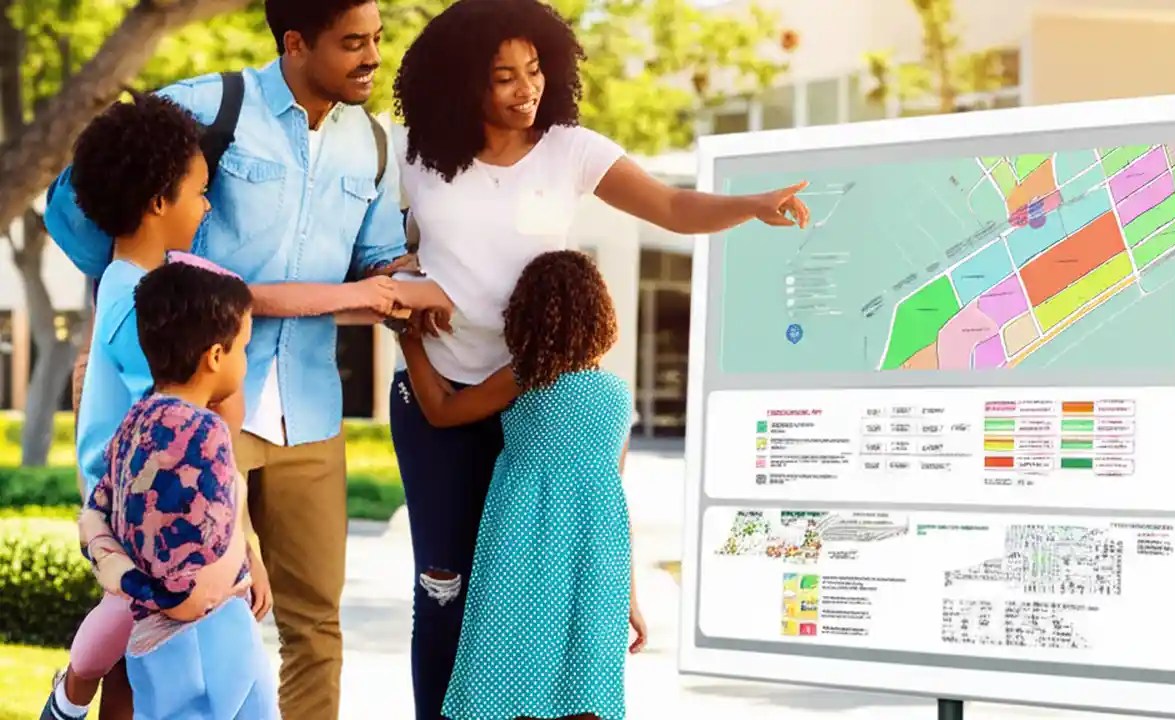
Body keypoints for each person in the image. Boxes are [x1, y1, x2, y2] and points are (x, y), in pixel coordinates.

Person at [390, 0, 810, 716]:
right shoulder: (410, 155)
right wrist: (397, 274)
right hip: (443, 386)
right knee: (445, 582)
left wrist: (751, 205)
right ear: (463, 82)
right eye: (503, 77)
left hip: (537, 393)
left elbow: (673, 210)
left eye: (535, 70)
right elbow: (369, 246)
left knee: (521, 587)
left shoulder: (571, 149)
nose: (528, 89)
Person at [42, 2, 447, 716]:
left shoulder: (375, 147)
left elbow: (373, 265)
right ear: (296, 42)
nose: (372, 58)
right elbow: (91, 189)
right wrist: (136, 295)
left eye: (377, 39)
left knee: (313, 625)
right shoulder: (207, 106)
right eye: (353, 43)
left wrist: (424, 286)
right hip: (197, 402)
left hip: (308, 408)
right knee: (161, 623)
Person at [39, 94, 269, 720]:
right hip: (151, 521)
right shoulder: (142, 309)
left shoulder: (148, 289)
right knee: (151, 678)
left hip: (138, 515)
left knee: (141, 672)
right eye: (199, 191)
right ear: (159, 202)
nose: (207, 204)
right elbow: (202, 426)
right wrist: (241, 544)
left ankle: (71, 694)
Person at [399, 250, 643, 720]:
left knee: (510, 682)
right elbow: (617, 494)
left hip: (522, 551)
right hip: (596, 559)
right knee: (584, 687)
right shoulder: (616, 396)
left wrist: (411, 342)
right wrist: (629, 596)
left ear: (525, 314)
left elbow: (442, 411)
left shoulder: (525, 377)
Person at [80, 262, 278, 719]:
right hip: (209, 627)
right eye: (242, 349)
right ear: (214, 356)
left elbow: (111, 509)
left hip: (149, 634)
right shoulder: (206, 431)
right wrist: (244, 563)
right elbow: (217, 529)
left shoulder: (135, 422)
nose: (243, 363)